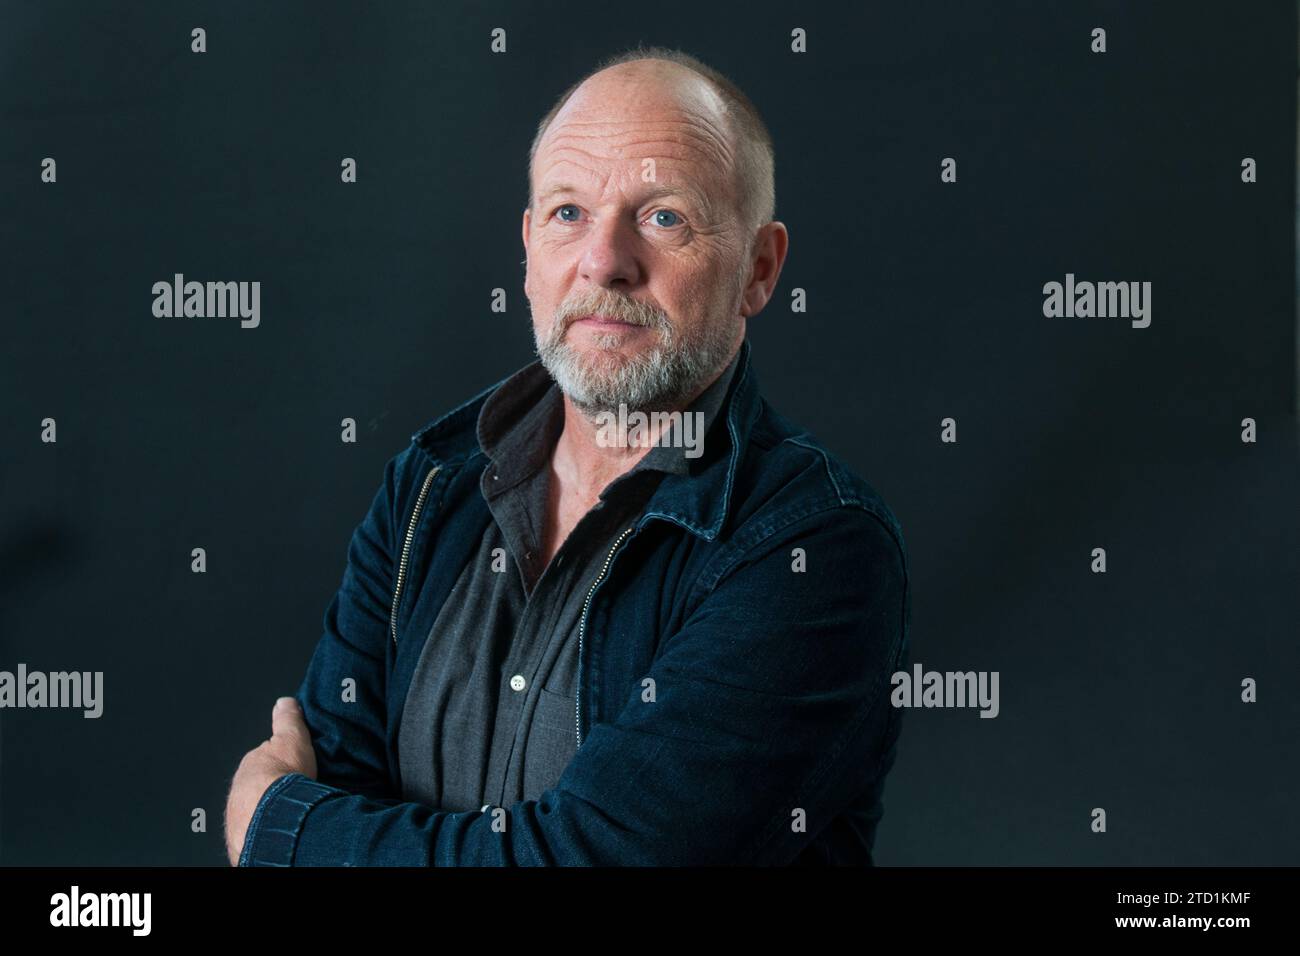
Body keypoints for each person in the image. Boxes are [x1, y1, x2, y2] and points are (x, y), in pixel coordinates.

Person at [224, 45, 911, 866]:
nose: (604, 262)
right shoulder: (430, 483)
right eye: (568, 213)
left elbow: (591, 861)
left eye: (664, 217)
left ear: (759, 271)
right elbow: (334, 764)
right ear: (527, 249)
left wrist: (281, 831)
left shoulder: (813, 546)